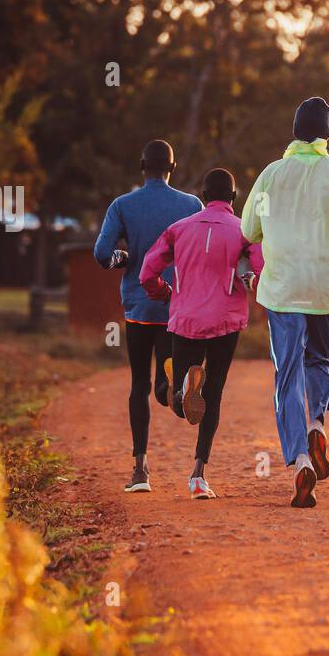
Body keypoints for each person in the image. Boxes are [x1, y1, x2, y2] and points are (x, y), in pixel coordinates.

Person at [240, 96, 329, 508]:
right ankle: (316, 419)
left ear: (295, 131)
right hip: (327, 286)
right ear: (328, 134)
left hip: (282, 289)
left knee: (287, 372)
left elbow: (248, 228)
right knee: (320, 361)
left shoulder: (271, 175)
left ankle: (300, 460)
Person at [139, 168, 263, 500]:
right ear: (234, 199)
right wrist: (252, 282)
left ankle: (181, 392)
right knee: (214, 392)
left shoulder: (178, 229)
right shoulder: (244, 231)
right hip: (225, 320)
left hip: (186, 319)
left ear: (204, 197)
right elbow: (263, 270)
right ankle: (198, 475)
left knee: (182, 402)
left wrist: (163, 292)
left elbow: (147, 272)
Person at [94, 140, 203, 493]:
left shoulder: (122, 205)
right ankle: (170, 384)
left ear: (142, 166)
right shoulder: (191, 205)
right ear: (172, 168)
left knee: (138, 384)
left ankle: (140, 470)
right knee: (164, 377)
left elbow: (101, 254)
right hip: (177, 307)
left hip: (139, 306)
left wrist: (122, 259)